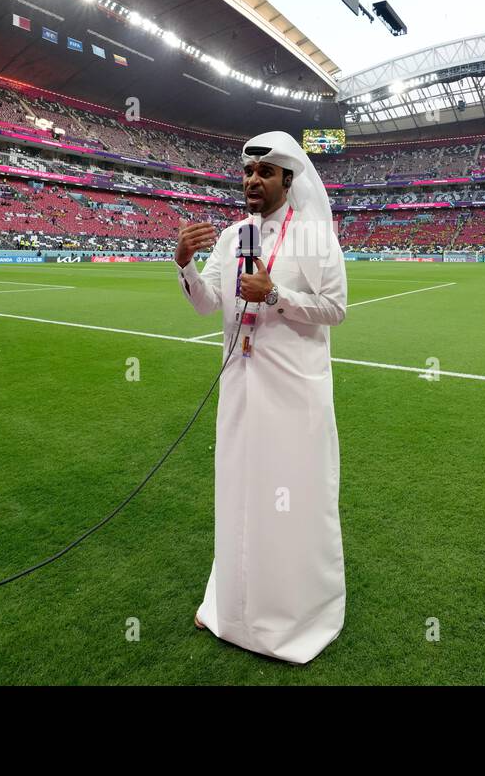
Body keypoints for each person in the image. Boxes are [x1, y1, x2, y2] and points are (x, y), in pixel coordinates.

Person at [173, 130, 347, 664]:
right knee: (241, 493)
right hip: (241, 392)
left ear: (287, 181)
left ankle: (293, 615)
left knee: (290, 500)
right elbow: (207, 305)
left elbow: (336, 308)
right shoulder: (231, 238)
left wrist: (276, 294)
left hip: (294, 396)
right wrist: (183, 263)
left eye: (264, 173)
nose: (252, 181)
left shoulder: (314, 237)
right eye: (248, 173)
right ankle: (236, 608)